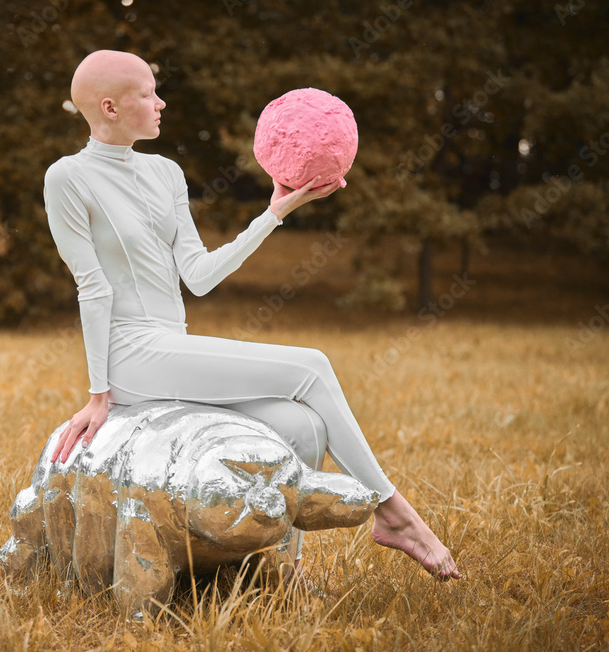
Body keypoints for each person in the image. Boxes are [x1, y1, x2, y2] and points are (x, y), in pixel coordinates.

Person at [42, 49, 461, 581]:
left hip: (172, 348)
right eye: (148, 93)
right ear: (109, 107)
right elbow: (93, 289)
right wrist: (99, 393)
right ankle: (394, 513)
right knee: (311, 366)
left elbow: (198, 275)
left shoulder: (167, 173)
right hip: (131, 355)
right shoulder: (68, 178)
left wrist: (273, 214)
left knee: (303, 425)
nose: (160, 101)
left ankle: (280, 569)